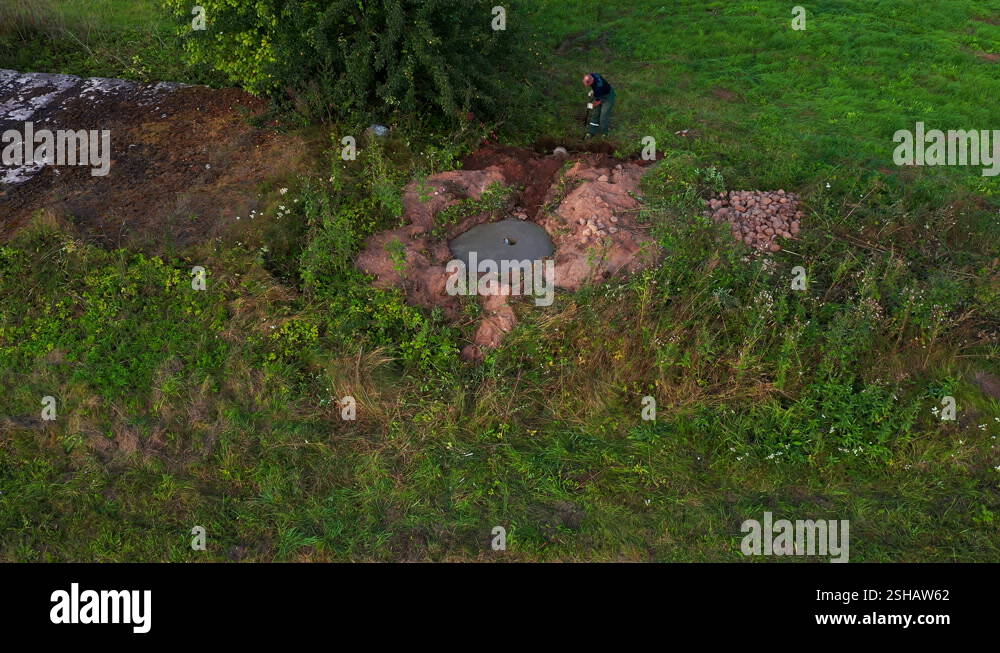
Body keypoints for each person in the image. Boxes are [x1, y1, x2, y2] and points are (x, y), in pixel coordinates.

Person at [582, 73, 615, 137]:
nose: (586, 85)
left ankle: (604, 133)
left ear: (591, 81)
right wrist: (592, 90)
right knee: (595, 114)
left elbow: (598, 102)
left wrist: (591, 106)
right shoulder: (593, 75)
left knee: (603, 115)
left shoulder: (599, 87)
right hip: (600, 93)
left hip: (608, 97)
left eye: (588, 84)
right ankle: (591, 131)